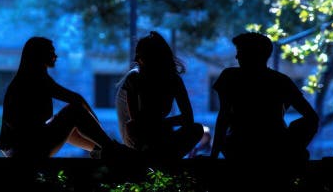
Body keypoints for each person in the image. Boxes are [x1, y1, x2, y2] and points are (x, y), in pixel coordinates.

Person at [0, 36, 129, 159]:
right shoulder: (35, 79)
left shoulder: (24, 79)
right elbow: (76, 99)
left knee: (65, 122)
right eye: (51, 52)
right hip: (26, 148)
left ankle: (99, 150)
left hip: (18, 148)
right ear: (39, 55)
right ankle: (110, 147)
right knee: (74, 111)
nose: (55, 56)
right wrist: (98, 127)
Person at [210, 32, 319, 161]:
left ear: (254, 55)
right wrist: (294, 145)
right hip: (275, 147)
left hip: (238, 147)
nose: (237, 56)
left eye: (241, 52)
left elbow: (223, 116)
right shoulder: (281, 81)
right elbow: (312, 117)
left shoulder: (229, 77)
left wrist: (213, 156)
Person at [115, 31, 203, 159]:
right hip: (141, 137)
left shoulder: (173, 80)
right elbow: (136, 122)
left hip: (158, 136)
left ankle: (156, 156)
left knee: (197, 129)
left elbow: (189, 119)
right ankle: (161, 157)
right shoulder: (134, 78)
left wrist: (159, 125)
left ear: (154, 58)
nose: (135, 60)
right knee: (134, 129)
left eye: (140, 55)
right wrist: (162, 125)